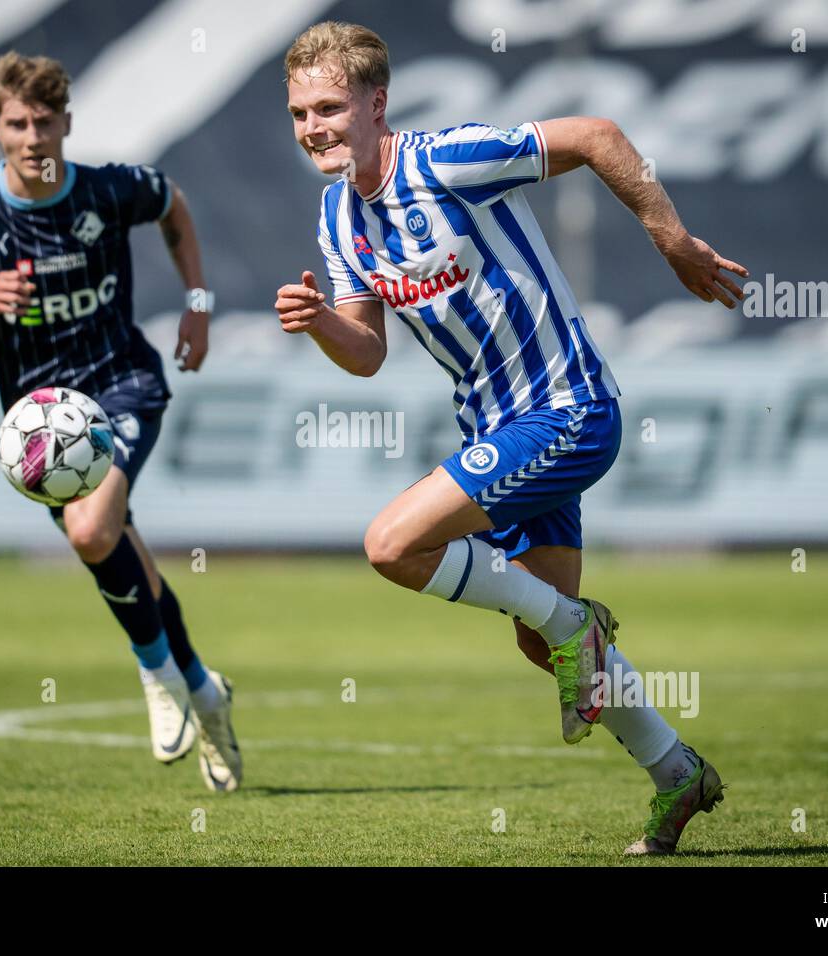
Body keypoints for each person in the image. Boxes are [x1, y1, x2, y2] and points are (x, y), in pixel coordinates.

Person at [275, 21, 748, 853]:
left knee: (391, 545)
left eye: (329, 107)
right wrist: (319, 324)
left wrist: (669, 237)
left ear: (375, 103)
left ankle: (576, 627)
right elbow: (368, 352)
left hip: (567, 410)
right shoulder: (337, 216)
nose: (314, 127)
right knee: (543, 641)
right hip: (499, 430)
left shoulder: (443, 161)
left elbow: (598, 136)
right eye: (299, 112)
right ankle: (678, 773)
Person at [0, 51, 240, 792]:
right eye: (18, 123)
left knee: (93, 534)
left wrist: (197, 304)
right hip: (37, 427)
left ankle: (156, 676)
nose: (33, 137)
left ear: (66, 124)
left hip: (122, 387)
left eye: (46, 123)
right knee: (127, 557)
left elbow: (174, 207)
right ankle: (204, 691)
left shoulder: (108, 189)